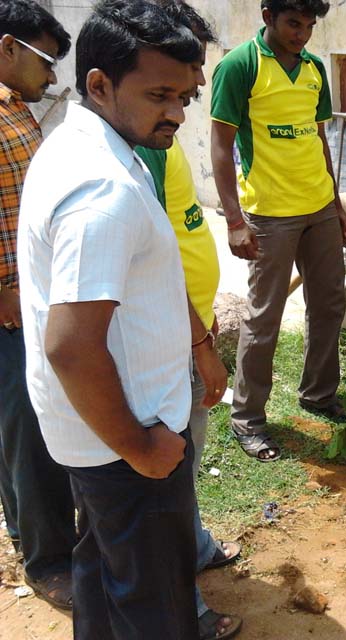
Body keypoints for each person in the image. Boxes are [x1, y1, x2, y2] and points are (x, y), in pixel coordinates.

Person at [17, 1, 202, 637]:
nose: (177, 113)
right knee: (155, 607)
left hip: (101, 434)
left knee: (103, 575)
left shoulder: (85, 144)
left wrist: (198, 342)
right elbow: (70, 345)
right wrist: (141, 447)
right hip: (127, 437)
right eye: (160, 95)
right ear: (99, 84)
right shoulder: (101, 189)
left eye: (185, 95)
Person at [135, 2, 242, 637]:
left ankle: (194, 544)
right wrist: (200, 342)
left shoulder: (157, 138)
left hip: (185, 323)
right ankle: (180, 606)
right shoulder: (142, 144)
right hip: (168, 335)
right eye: (179, 84)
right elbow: (150, 261)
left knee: (188, 455)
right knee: (167, 470)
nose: (191, 98)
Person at [211, 0, 346, 462]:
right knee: (264, 318)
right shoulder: (240, 66)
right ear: (268, 14)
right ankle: (248, 418)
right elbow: (220, 145)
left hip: (319, 210)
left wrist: (336, 206)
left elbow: (319, 139)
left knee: (329, 304)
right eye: (295, 23)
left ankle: (318, 393)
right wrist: (235, 221)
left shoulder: (314, 69)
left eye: (310, 25)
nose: (303, 34)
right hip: (269, 215)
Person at [0, 0, 75, 611]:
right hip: (5, 307)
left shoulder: (15, 111)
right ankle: (46, 559)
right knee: (26, 429)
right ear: (7, 47)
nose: (51, 76)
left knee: (32, 422)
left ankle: (42, 535)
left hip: (29, 298)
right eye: (46, 61)